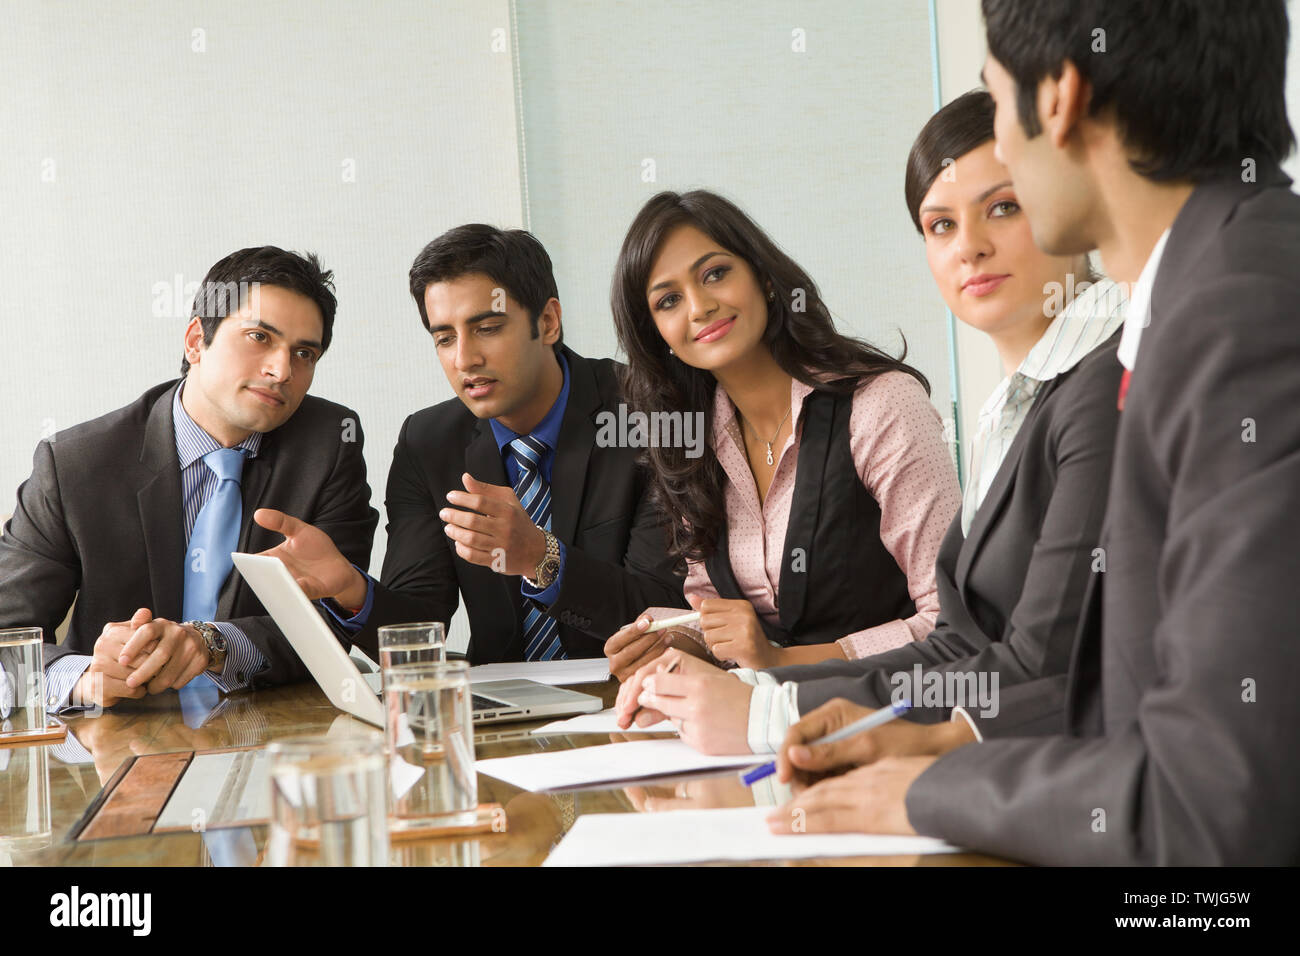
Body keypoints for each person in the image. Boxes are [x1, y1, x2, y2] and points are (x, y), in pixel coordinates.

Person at [769, 0, 1300, 866]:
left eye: (996, 98)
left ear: (1059, 100)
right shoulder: (1210, 294)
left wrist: (925, 794)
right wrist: (955, 736)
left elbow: (1213, 803)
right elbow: (1149, 695)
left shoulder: (1239, 325)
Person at [616, 92, 1127, 757]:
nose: (969, 247)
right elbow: (969, 647)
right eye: (940, 225)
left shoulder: (1110, 383)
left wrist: (773, 703)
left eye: (1003, 206)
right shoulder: (1011, 406)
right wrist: (734, 674)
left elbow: (1033, 668)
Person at [255, 224, 685, 663]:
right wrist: (352, 589)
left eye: (488, 328)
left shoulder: (650, 415)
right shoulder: (427, 442)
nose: (465, 359)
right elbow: (421, 627)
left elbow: (670, 609)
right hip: (504, 707)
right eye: (445, 338)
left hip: (635, 693)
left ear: (548, 322)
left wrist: (542, 556)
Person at [602, 189, 960, 686]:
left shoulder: (881, 406)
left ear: (765, 280)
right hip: (763, 725)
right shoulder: (691, 445)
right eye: (669, 300)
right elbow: (722, 623)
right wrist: (678, 641)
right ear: (657, 333)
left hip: (895, 718)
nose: (700, 307)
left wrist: (783, 663)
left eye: (715, 274)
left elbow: (952, 621)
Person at [0, 246, 378, 711]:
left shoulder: (329, 443)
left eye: (304, 353)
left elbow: (334, 619)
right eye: (259, 337)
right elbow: (6, 639)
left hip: (265, 732)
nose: (282, 371)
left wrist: (211, 645)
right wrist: (82, 678)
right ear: (196, 340)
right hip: (116, 741)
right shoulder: (76, 464)